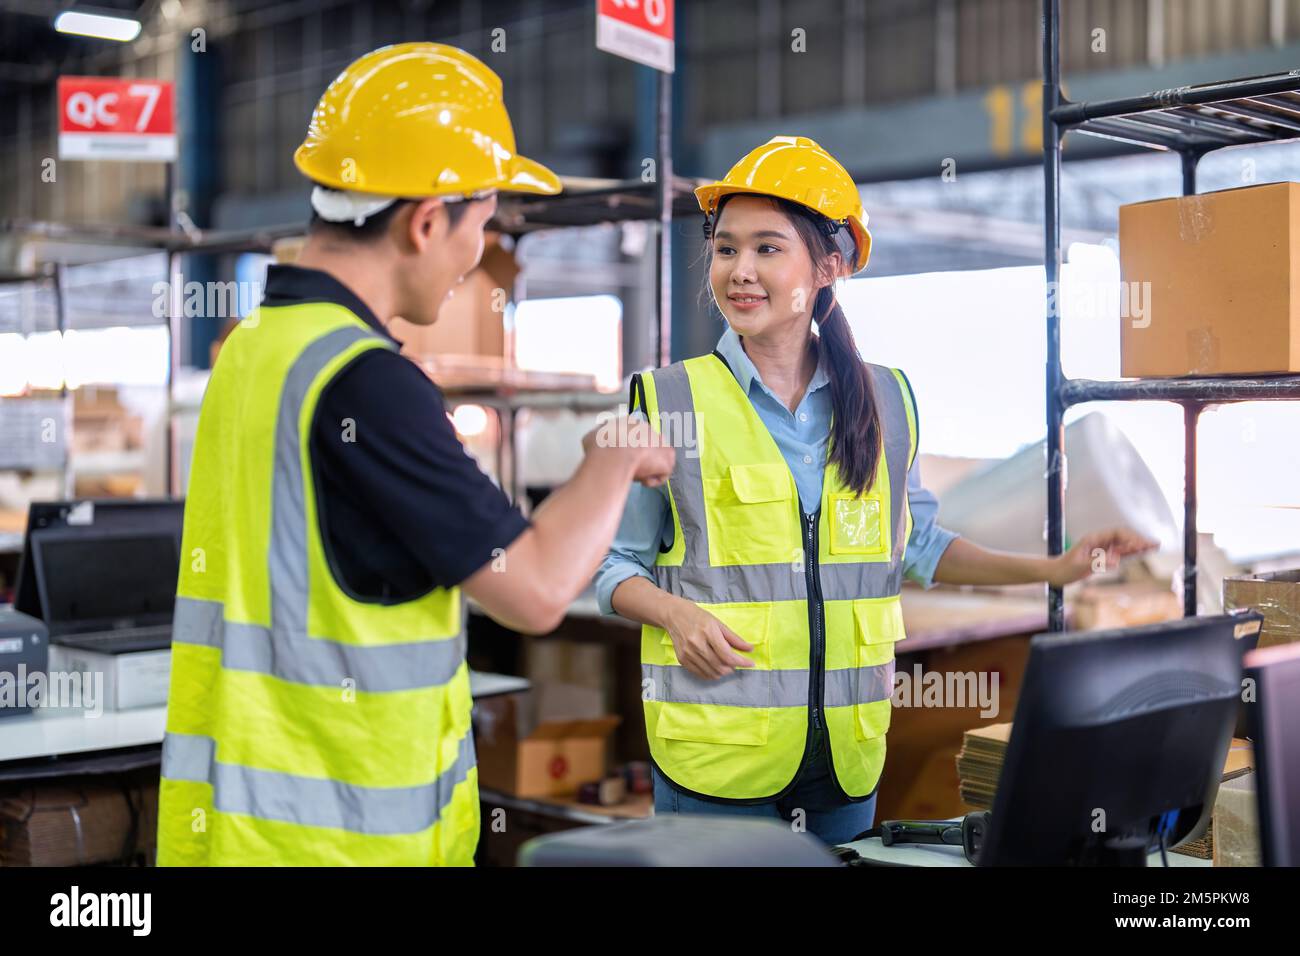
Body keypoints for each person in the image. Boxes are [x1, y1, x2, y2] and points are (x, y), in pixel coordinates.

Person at [156, 43, 673, 866]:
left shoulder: (255, 347)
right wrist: (612, 455)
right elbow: (533, 591)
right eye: (484, 225)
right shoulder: (365, 382)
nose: (479, 258)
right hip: (344, 840)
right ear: (428, 220)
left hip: (239, 828)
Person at [595, 135, 1156, 846]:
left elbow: (917, 546)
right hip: (716, 757)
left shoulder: (886, 401)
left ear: (829, 266)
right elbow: (611, 566)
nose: (739, 271)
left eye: (768, 249)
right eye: (727, 248)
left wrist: (1057, 568)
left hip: (844, 759)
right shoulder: (666, 398)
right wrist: (675, 614)